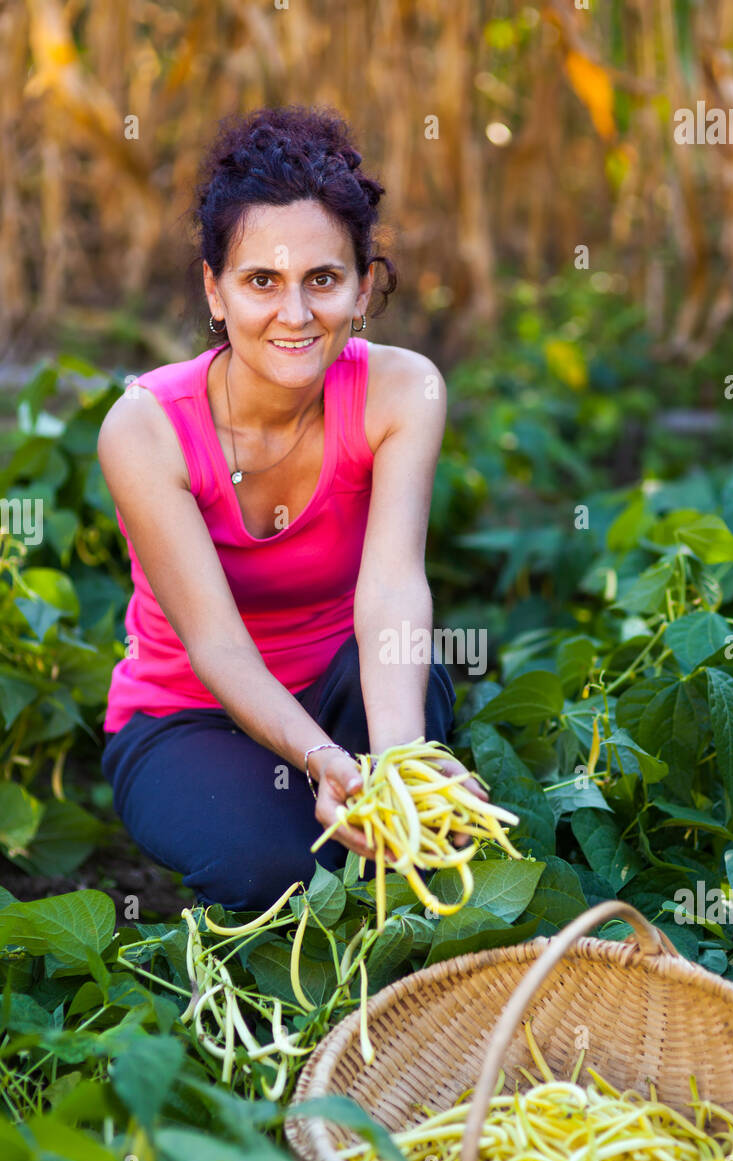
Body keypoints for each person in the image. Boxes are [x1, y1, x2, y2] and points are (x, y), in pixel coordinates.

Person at [97, 105, 487, 911]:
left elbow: (391, 594)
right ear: (215, 288)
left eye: (323, 279)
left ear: (364, 285)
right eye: (261, 282)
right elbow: (215, 646)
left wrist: (398, 764)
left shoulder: (401, 391)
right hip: (187, 715)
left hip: (345, 683)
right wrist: (323, 761)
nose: (296, 316)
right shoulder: (146, 430)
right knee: (280, 876)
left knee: (404, 838)